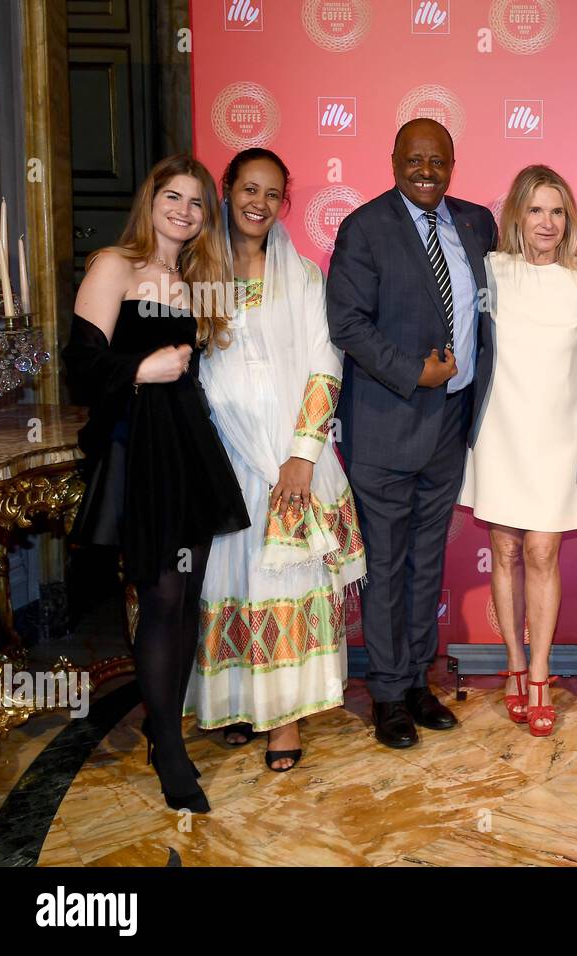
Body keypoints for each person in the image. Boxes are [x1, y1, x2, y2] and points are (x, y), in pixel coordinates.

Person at [327, 119, 577, 749]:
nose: (426, 169)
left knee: (425, 565)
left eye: (438, 160)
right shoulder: (364, 228)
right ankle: (389, 696)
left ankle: (419, 682)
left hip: (453, 429)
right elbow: (346, 323)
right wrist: (412, 371)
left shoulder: (473, 227)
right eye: (415, 159)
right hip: (387, 426)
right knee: (387, 564)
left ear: (453, 164)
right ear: (395, 159)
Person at [62, 154, 248, 812]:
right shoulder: (114, 264)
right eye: (173, 196)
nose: (185, 211)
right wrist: (143, 369)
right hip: (138, 451)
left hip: (189, 451)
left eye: (197, 203)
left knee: (186, 598)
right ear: (151, 201)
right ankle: (169, 749)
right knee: (162, 594)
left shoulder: (194, 281)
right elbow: (80, 366)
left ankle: (164, 730)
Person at [185, 148, 366, 771]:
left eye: (271, 194)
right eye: (248, 189)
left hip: (290, 460)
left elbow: (325, 363)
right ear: (227, 189)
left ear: (283, 203)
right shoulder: (194, 273)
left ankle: (285, 722)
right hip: (224, 454)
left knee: (285, 580)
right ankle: (239, 703)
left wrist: (301, 455)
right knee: (231, 581)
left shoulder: (304, 277)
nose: (258, 203)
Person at [458, 165, 577, 737]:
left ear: (567, 219)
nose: (547, 222)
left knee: (543, 551)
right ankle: (515, 667)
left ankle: (541, 673)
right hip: (498, 429)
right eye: (537, 210)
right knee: (505, 550)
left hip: (554, 437)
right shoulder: (491, 272)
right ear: (518, 215)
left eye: (558, 211)